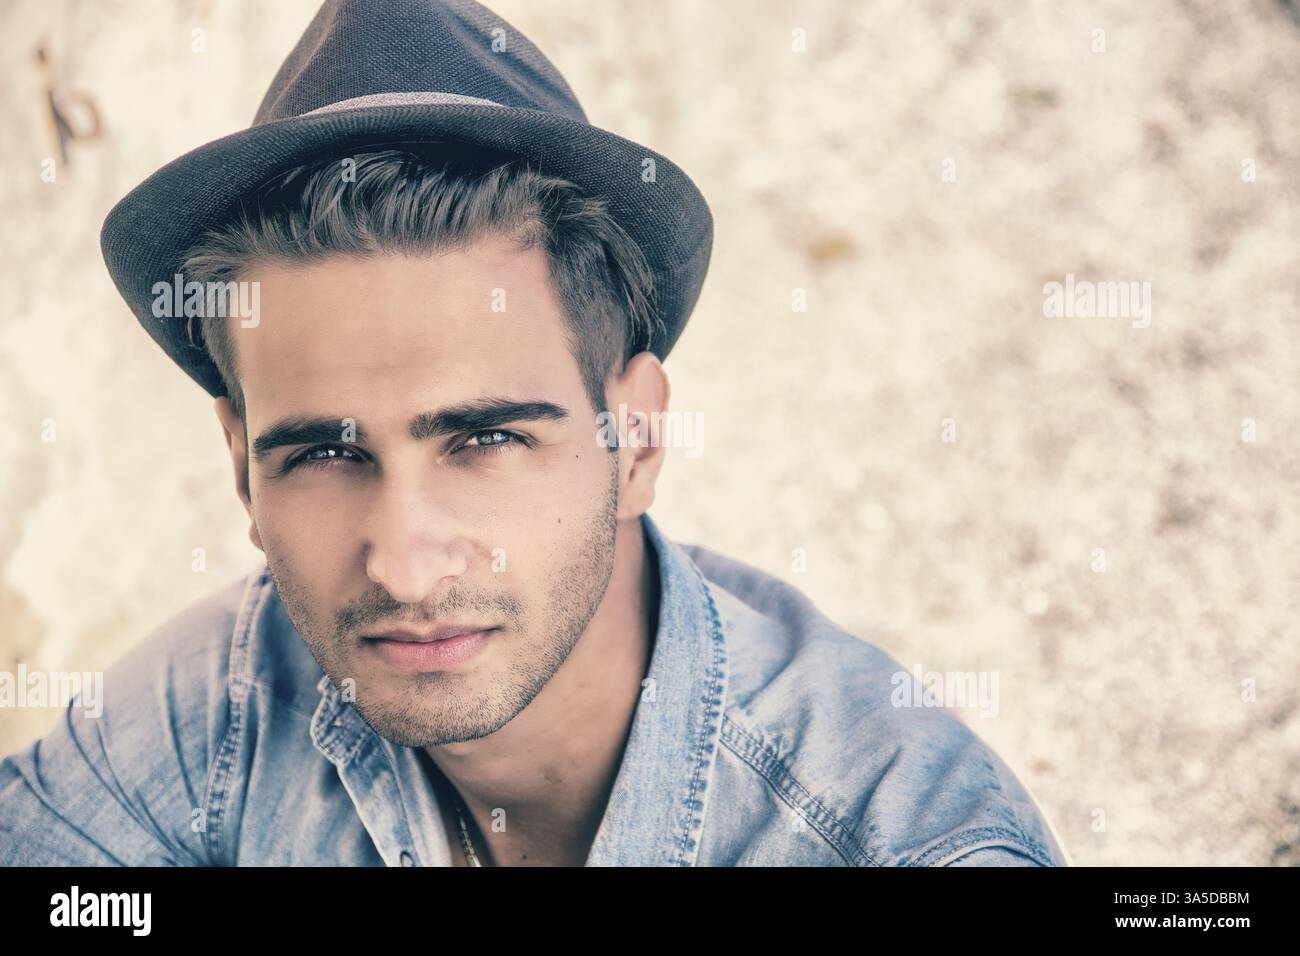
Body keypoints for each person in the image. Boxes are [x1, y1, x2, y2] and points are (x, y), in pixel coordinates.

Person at [0, 0, 1068, 867]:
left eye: (483, 439)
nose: (404, 562)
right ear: (242, 469)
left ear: (637, 438)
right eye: (323, 452)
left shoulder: (897, 840)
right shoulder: (222, 701)